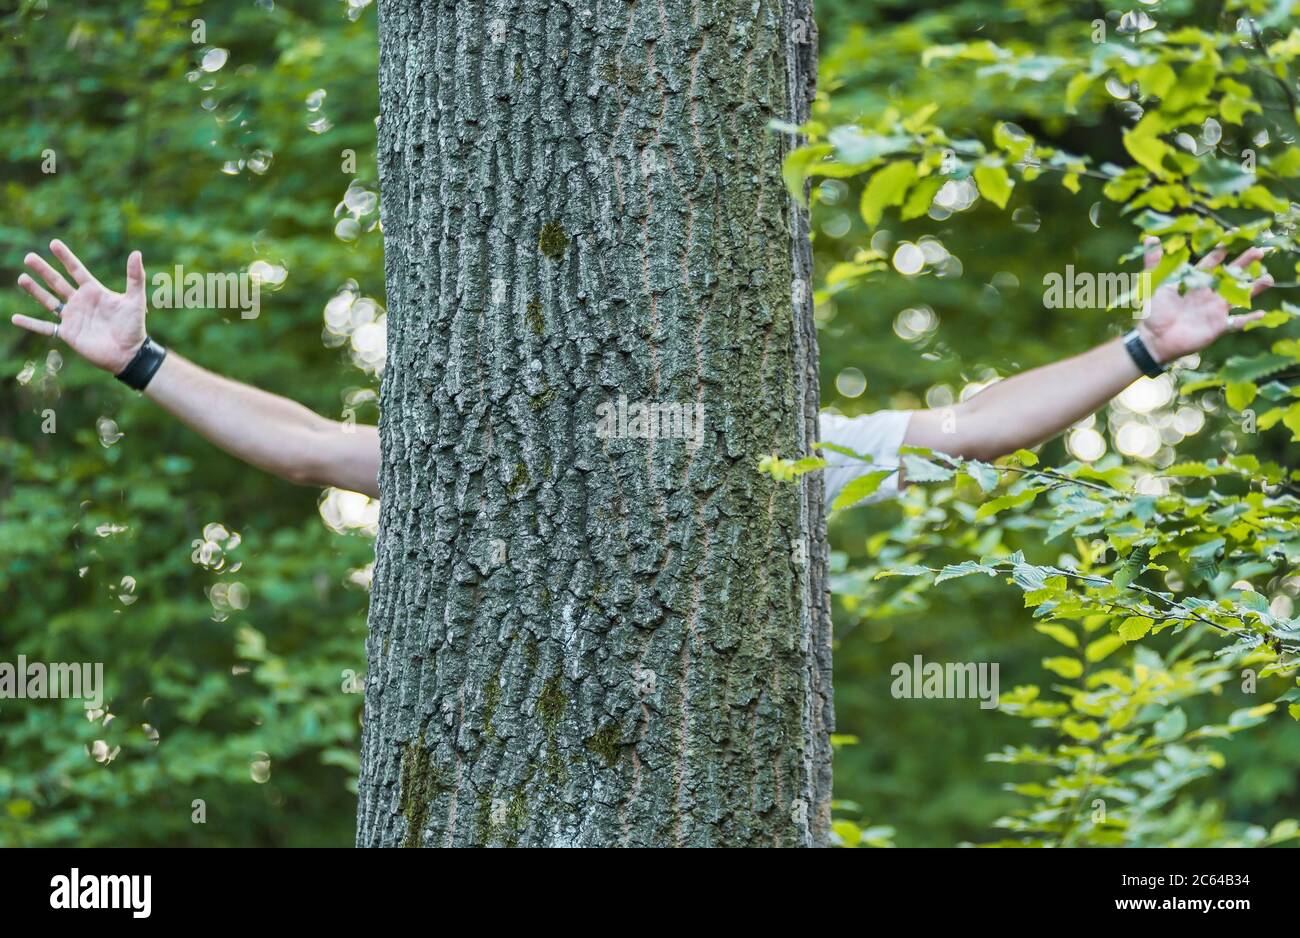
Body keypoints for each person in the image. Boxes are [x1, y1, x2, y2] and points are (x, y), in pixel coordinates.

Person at [12, 239, 1273, 510]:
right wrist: (141, 361)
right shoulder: (510, 456)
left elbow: (970, 426)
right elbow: (307, 443)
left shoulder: (770, 448)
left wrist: (1143, 349)